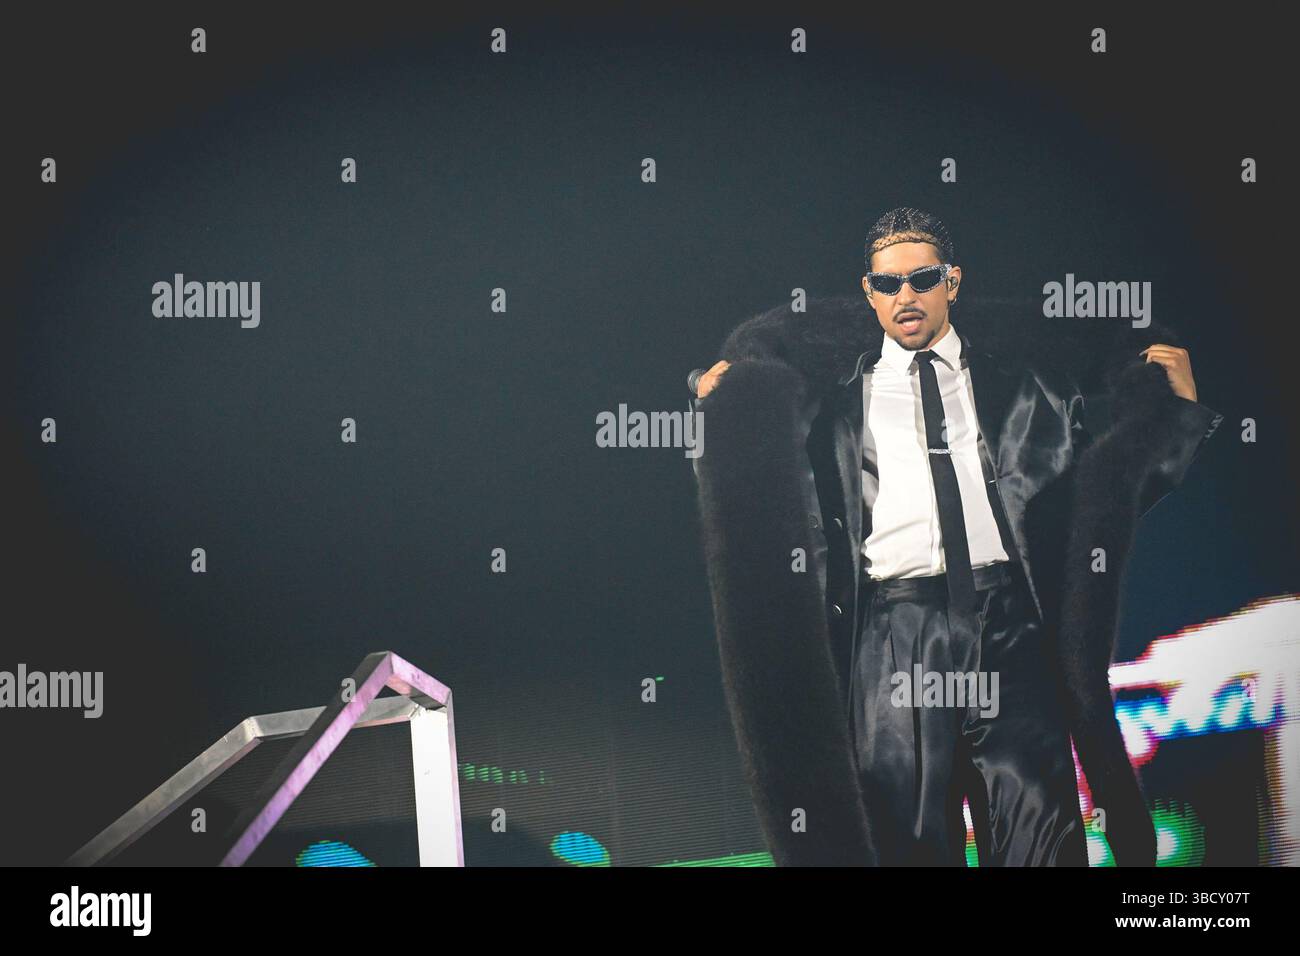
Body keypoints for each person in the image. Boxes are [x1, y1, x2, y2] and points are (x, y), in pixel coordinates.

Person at [689, 207, 1222, 865]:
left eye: (922, 279)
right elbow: (769, 506)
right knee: (907, 847)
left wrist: (1179, 419)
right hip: (893, 637)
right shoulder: (833, 402)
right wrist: (731, 415)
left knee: (1043, 844)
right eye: (888, 284)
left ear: (953, 281)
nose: (905, 296)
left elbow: (1095, 509)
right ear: (868, 293)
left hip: (1011, 631)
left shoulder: (1027, 388)